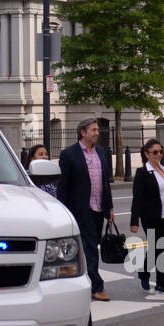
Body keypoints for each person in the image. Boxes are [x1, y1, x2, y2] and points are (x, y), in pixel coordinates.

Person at [57, 118, 115, 302]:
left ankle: (78, 281)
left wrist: (109, 208)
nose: (97, 133)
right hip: (80, 208)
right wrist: (63, 211)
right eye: (94, 130)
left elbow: (105, 183)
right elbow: (63, 186)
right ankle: (96, 287)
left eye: (97, 129)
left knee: (89, 247)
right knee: (89, 248)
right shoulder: (69, 154)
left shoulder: (100, 152)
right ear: (83, 132)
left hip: (98, 207)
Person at [129, 138, 164, 294]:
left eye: (161, 151)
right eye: (155, 152)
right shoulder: (142, 173)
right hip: (151, 217)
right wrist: (134, 221)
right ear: (147, 154)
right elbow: (137, 199)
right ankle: (144, 273)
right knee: (155, 248)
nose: (158, 154)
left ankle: (162, 284)